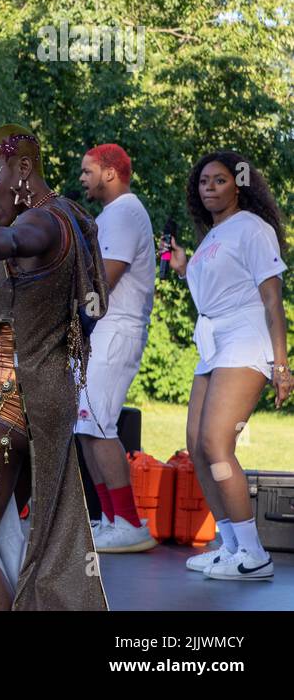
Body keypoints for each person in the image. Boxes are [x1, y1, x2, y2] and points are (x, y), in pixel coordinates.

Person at [0, 125, 109, 611]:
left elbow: (14, 238)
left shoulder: (43, 223)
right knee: (28, 546)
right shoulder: (71, 219)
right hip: (45, 397)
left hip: (5, 400)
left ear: (24, 169)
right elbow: (8, 288)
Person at [166, 151, 288, 581]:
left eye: (219, 180)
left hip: (245, 336)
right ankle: (230, 545)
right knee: (197, 446)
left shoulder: (252, 229)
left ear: (239, 184)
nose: (210, 188)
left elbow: (272, 299)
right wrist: (184, 267)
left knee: (217, 444)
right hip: (213, 342)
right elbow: (211, 292)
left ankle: (254, 555)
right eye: (203, 182)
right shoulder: (212, 236)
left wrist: (282, 363)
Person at [75, 144, 157, 554]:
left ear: (110, 172)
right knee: (88, 428)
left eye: (87, 171)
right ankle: (111, 518)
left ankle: (128, 522)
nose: (82, 179)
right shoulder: (112, 214)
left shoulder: (125, 211)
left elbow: (104, 279)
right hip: (103, 331)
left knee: (100, 426)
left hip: (116, 329)